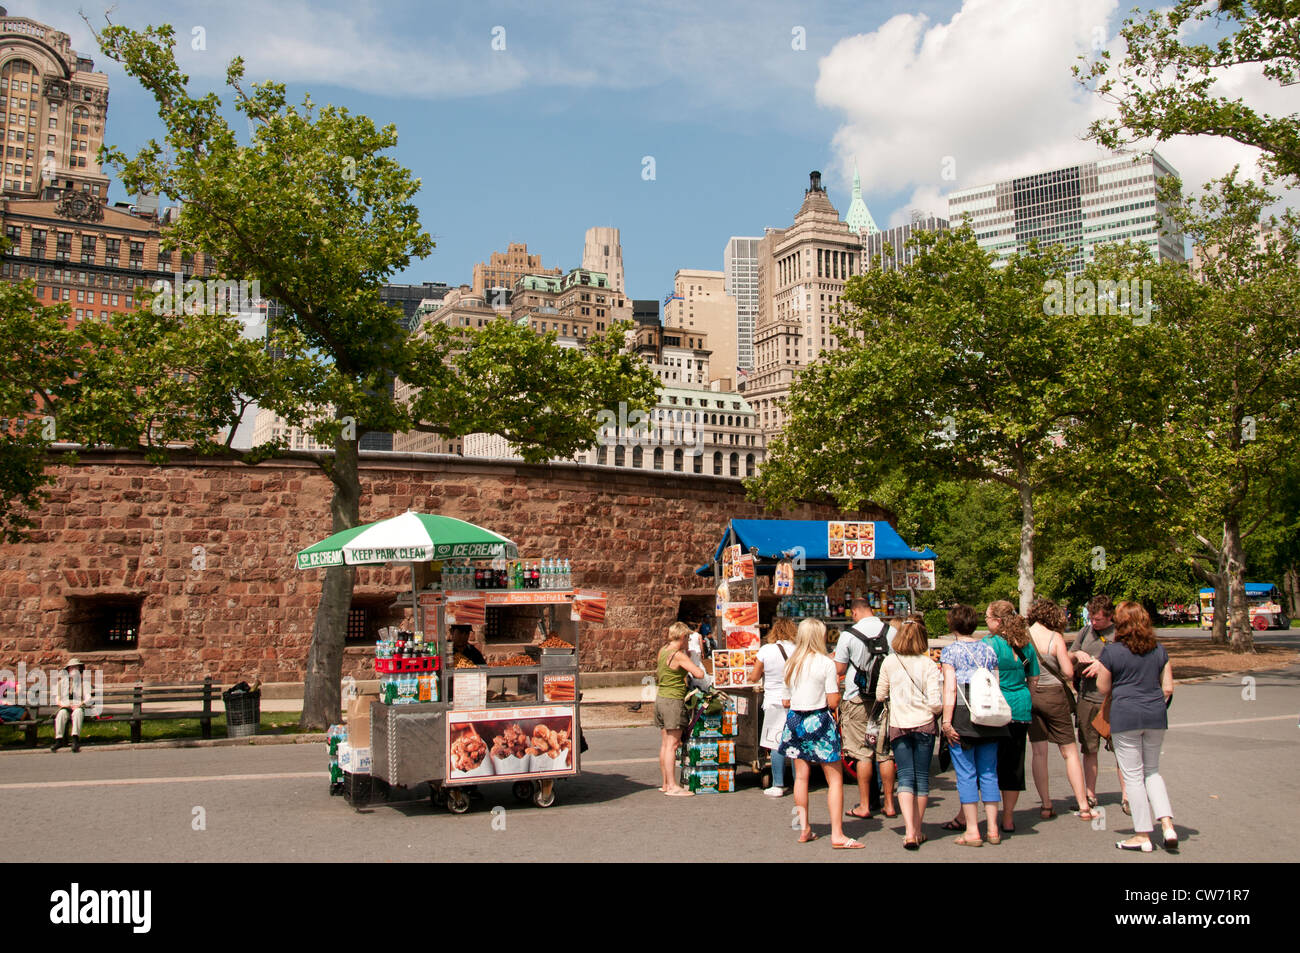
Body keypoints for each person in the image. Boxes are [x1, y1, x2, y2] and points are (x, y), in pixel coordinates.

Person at [1097, 601, 1177, 852]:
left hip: (1126, 715)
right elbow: (1168, 687)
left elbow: (1103, 687)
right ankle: (1167, 824)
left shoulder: (1111, 652)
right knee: (1152, 771)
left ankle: (1142, 833)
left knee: (1133, 775)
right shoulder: (1158, 650)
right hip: (1155, 714)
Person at [777, 618, 862, 848]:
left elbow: (785, 700)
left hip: (795, 719)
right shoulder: (825, 663)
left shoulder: (791, 663)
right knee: (834, 779)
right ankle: (837, 834)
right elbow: (833, 700)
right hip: (819, 718)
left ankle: (803, 827)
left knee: (800, 777)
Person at [939, 605, 1008, 846]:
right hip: (989, 712)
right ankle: (992, 829)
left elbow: (949, 688)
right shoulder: (988, 650)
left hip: (962, 711)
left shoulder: (950, 652)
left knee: (966, 773)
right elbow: (995, 681)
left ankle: (972, 830)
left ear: (952, 625)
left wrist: (946, 722)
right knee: (989, 772)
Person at [876, 614, 942, 849]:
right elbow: (935, 702)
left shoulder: (890, 662)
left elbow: (880, 695)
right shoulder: (929, 665)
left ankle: (909, 831)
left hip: (899, 723)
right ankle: (918, 827)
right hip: (924, 723)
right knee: (922, 778)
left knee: (904, 776)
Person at [1026, 597, 1095, 820]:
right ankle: (1083, 804)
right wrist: (1072, 658)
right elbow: (1067, 672)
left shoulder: (1023, 637)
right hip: (1054, 695)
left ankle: (1046, 804)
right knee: (1069, 751)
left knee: (1038, 752)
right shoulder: (1054, 638)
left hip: (1032, 695)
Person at [834, 598, 896, 820]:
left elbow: (840, 668)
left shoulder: (848, 635)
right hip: (885, 699)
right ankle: (889, 803)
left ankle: (865, 804)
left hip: (857, 698)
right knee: (885, 753)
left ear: (854, 613)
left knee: (862, 753)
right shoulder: (892, 632)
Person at [984, 601, 1039, 835]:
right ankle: (1008, 817)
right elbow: (1034, 678)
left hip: (997, 709)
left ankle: (991, 818)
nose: (985, 621)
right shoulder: (1026, 644)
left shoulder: (990, 644)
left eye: (987, 617)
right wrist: (1026, 696)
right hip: (1021, 707)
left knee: (991, 764)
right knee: (1014, 765)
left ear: (997, 621)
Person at [1070, 594, 1125, 810]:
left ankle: (1128, 796)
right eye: (1092, 619)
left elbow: (1127, 661)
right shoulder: (1086, 632)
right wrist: (1078, 654)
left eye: (1099, 620)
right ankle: (1090, 794)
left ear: (1110, 616)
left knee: (1121, 749)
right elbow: (1070, 653)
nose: (1094, 624)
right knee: (1089, 748)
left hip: (1112, 700)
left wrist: (1101, 666)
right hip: (1087, 697)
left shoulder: (1120, 634)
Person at [655, 622, 706, 796]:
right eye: (688, 638)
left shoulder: (663, 650)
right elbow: (699, 674)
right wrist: (691, 658)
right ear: (682, 637)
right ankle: (672, 786)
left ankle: (665, 783)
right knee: (673, 744)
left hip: (661, 698)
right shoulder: (678, 655)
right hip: (673, 700)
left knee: (665, 744)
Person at [749, 616, 796, 797]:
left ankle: (778, 784)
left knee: (776, 743)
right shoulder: (798, 650)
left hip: (774, 701)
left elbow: (754, 676)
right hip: (795, 700)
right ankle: (799, 780)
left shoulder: (766, 650)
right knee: (795, 743)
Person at [50, 658, 92, 753]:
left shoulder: (84, 683)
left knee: (77, 713)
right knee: (61, 714)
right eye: (72, 668)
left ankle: (75, 739)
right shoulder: (62, 683)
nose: (74, 670)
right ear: (68, 670)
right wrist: (62, 705)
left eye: (76, 667)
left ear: (79, 669)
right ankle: (59, 740)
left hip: (78, 706)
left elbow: (88, 697)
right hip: (66, 706)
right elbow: (57, 697)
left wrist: (80, 704)